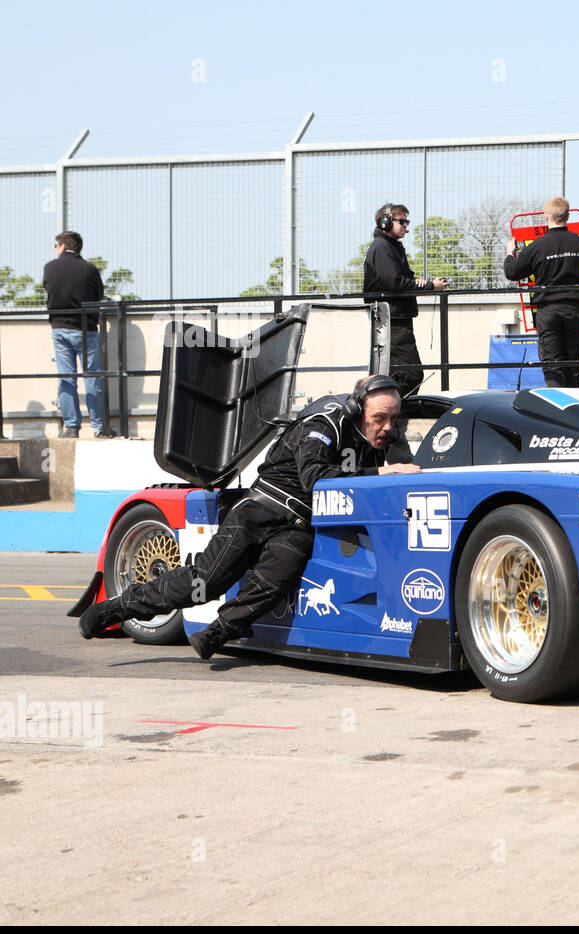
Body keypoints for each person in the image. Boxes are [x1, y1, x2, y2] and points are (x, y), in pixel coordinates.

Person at [76, 376, 422, 658]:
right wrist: (381, 472)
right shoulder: (324, 423)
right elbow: (315, 479)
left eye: (394, 418)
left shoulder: (382, 436)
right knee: (206, 583)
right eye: (380, 418)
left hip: (299, 524)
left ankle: (218, 633)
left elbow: (406, 470)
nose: (388, 427)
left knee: (277, 577)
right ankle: (112, 610)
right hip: (261, 508)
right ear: (358, 409)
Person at [502, 196, 579, 388]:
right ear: (567, 216)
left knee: (552, 366)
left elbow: (512, 271)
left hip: (547, 310)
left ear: (546, 216)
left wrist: (510, 253)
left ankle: (556, 410)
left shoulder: (537, 246)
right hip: (575, 309)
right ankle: (573, 410)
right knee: (573, 365)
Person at [363, 203, 449, 397]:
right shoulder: (382, 247)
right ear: (386, 222)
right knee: (411, 374)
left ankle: (393, 417)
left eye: (406, 221)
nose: (405, 225)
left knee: (396, 374)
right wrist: (429, 286)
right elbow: (394, 282)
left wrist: (420, 283)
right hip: (390, 320)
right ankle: (395, 415)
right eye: (401, 221)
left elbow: (402, 280)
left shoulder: (392, 247)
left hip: (395, 318)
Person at [43, 232, 113, 438]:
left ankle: (72, 426)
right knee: (92, 377)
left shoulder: (49, 267)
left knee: (66, 378)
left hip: (59, 328)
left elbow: (50, 289)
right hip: (86, 329)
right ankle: (99, 428)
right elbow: (98, 295)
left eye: (56, 245)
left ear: (63, 246)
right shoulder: (89, 269)